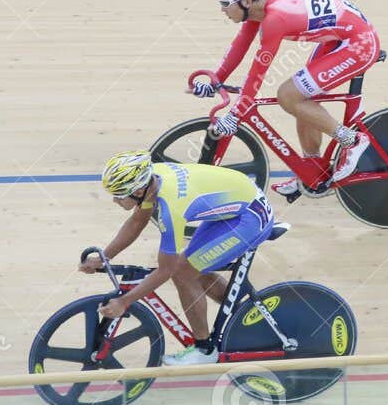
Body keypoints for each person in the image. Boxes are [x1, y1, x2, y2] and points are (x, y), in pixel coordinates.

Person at [193, 0, 381, 198]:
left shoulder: (275, 19)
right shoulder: (258, 5)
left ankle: (352, 141)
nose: (222, 9)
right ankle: (312, 169)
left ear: (247, 0)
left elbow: (258, 71)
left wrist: (235, 114)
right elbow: (240, 46)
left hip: (359, 44)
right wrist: (216, 79)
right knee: (301, 97)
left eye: (225, 3)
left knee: (289, 95)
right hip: (337, 39)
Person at [82, 151, 276, 366]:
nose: (115, 200)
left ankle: (204, 350)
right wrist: (104, 257)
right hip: (237, 206)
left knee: (183, 272)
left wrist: (125, 302)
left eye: (119, 194)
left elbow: (166, 270)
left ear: (137, 190)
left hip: (249, 218)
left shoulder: (170, 207)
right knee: (192, 267)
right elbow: (137, 222)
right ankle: (245, 317)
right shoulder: (151, 180)